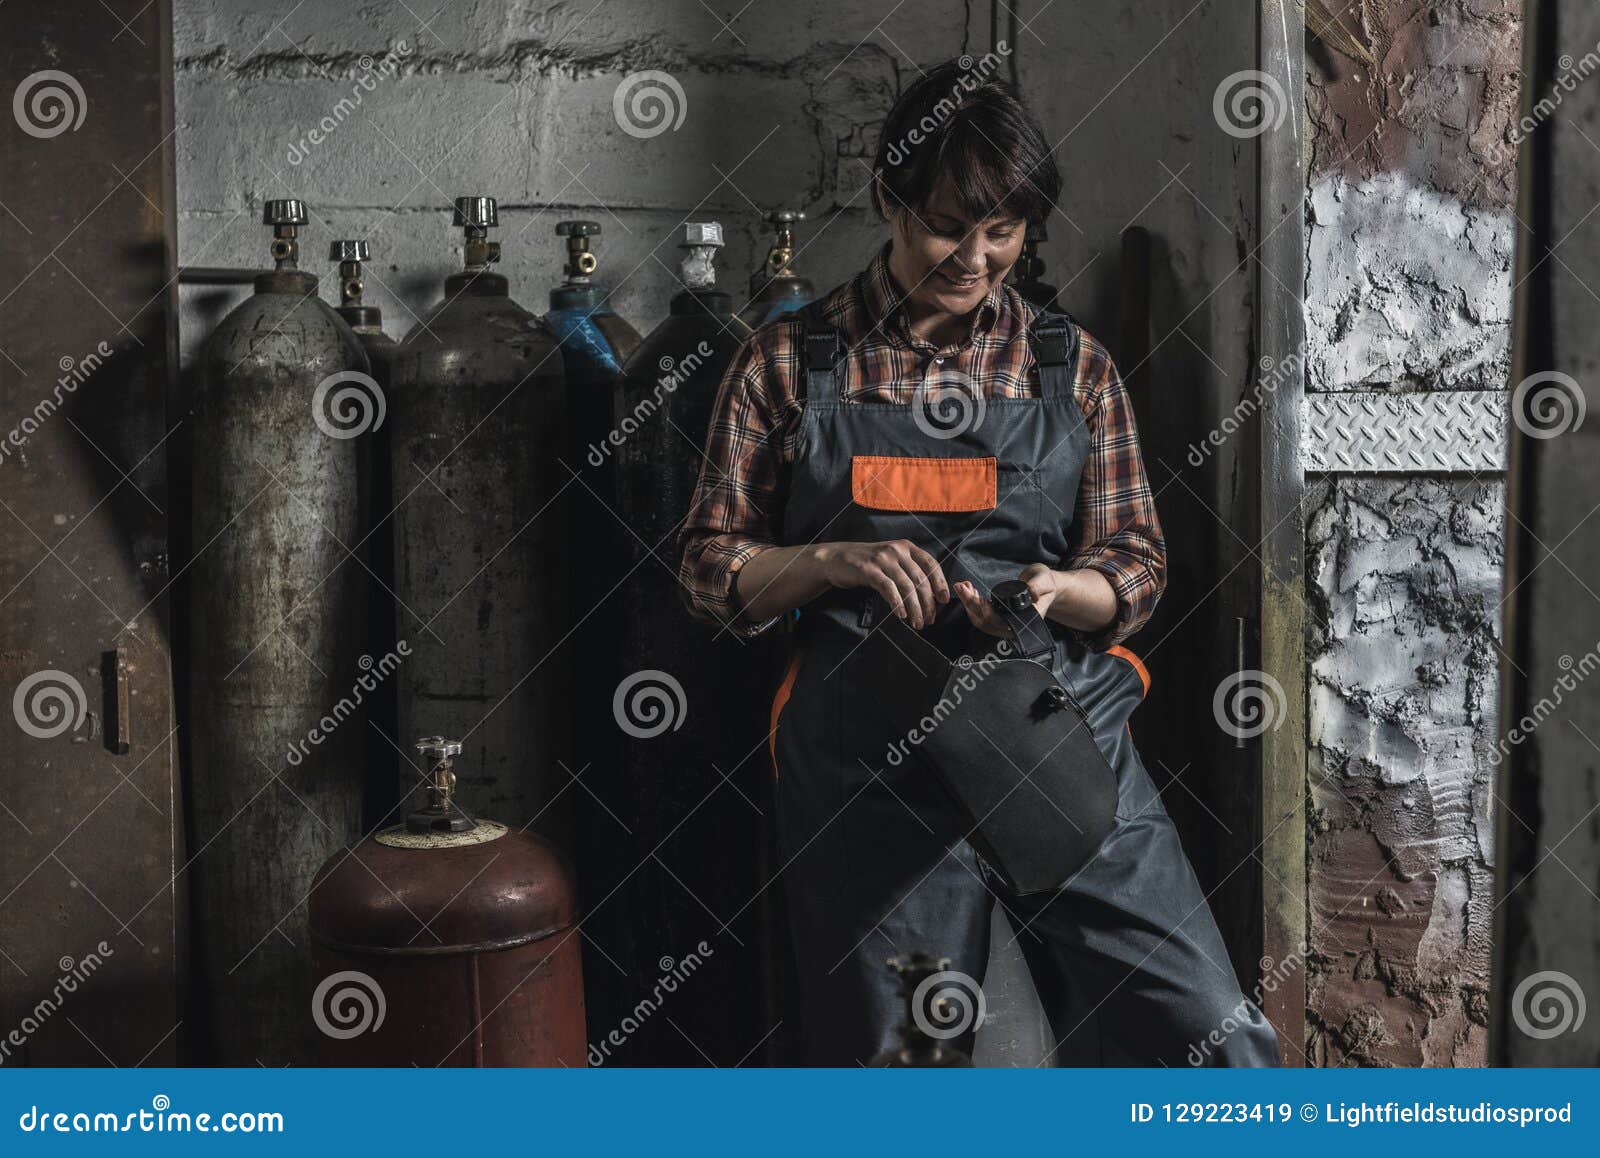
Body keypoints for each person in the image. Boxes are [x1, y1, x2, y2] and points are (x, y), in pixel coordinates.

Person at [677, 60, 1281, 1067]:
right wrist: (828, 560)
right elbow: (708, 569)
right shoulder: (788, 364)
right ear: (887, 201)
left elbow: (1132, 565)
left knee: (1208, 1029)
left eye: (1002, 231)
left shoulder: (1072, 367)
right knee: (913, 1073)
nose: (975, 256)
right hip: (873, 769)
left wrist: (1058, 594)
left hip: (1051, 737)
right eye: (948, 226)